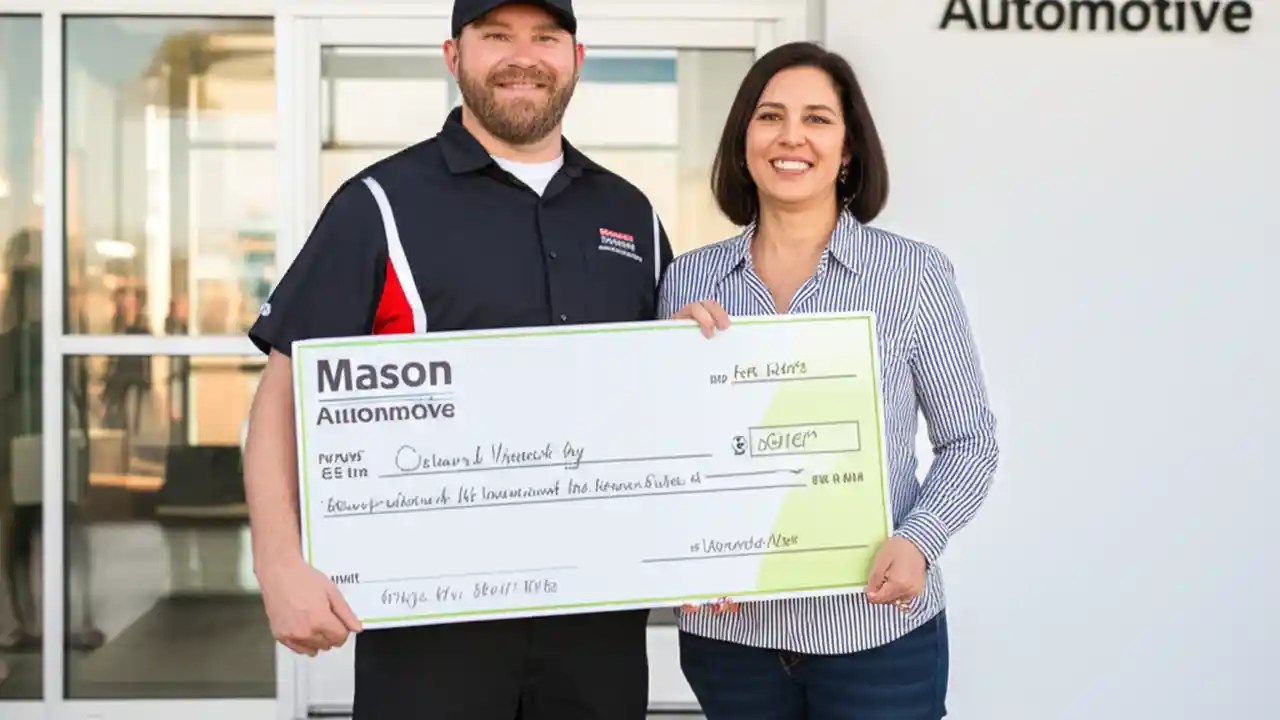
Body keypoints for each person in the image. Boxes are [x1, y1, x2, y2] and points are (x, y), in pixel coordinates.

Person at [242, 1, 671, 718]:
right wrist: (278, 562)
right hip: (431, 624)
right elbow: (283, 393)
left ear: (576, 58)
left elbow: (663, 398)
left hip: (598, 619)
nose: (522, 56)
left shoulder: (630, 215)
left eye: (544, 38)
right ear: (453, 56)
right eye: (495, 36)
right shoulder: (379, 204)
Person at [660, 41, 1000, 719]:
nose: (792, 137)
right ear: (743, 141)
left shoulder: (912, 275)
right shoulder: (686, 282)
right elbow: (662, 454)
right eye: (770, 117)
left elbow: (971, 442)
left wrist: (920, 539)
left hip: (876, 638)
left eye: (817, 119)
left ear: (848, 150)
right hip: (731, 642)